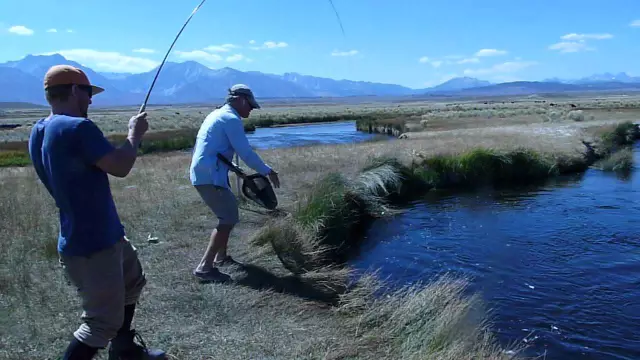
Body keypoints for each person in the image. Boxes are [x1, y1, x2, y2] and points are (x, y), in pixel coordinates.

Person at [28, 64, 166, 360]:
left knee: (132, 281)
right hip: (94, 243)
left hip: (95, 235)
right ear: (75, 90)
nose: (91, 100)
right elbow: (121, 166)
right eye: (88, 93)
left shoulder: (39, 130)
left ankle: (125, 350)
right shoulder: (78, 127)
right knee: (100, 324)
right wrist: (134, 135)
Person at [189, 84, 280, 282]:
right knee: (228, 218)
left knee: (227, 215)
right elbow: (245, 152)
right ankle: (205, 268)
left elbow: (213, 149)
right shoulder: (230, 119)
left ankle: (221, 257)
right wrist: (267, 170)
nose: (251, 109)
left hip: (208, 173)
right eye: (250, 105)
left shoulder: (216, 115)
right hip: (210, 176)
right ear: (239, 99)